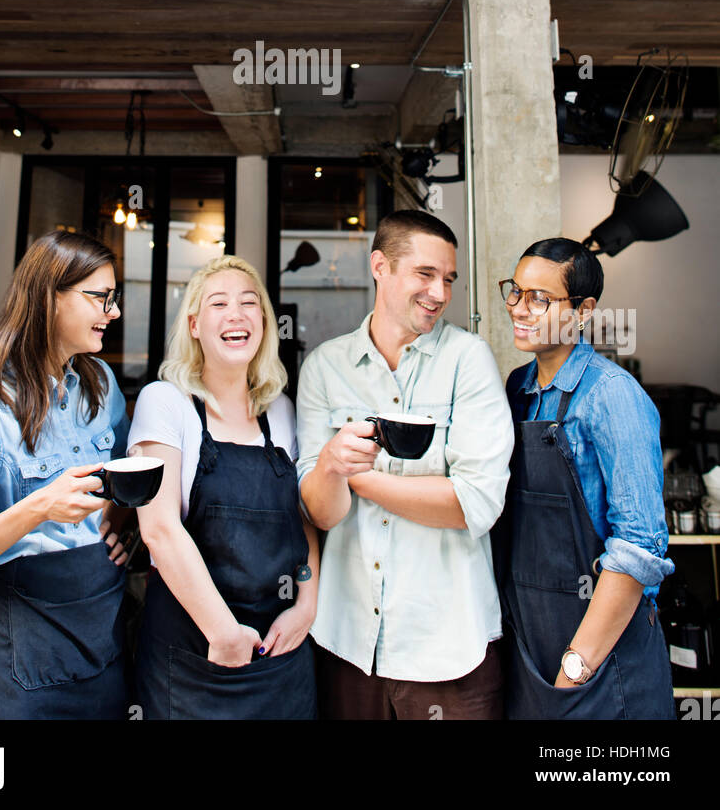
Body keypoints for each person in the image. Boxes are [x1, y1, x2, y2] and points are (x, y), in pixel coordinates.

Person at [297, 210, 513, 720]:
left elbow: (474, 502)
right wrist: (329, 468)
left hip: (450, 645)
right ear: (380, 266)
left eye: (449, 280)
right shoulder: (324, 367)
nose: (439, 292)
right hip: (349, 643)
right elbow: (322, 514)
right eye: (425, 274)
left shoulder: (469, 359)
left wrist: (359, 477)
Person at [0, 231, 131, 719]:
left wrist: (120, 529)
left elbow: (119, 479)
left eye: (114, 298)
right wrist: (39, 507)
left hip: (106, 645)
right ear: (50, 298)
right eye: (101, 298)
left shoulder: (101, 387)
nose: (113, 312)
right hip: (22, 669)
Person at [493, 237, 675, 719]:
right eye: (515, 290)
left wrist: (577, 665)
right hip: (530, 646)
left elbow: (640, 546)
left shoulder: (613, 396)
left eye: (540, 298)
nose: (520, 308)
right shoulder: (516, 389)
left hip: (602, 654)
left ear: (583, 310)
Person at [130, 254, 318, 720]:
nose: (236, 314)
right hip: (194, 653)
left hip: (281, 652)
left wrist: (307, 607)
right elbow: (159, 530)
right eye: (219, 304)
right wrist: (223, 632)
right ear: (194, 325)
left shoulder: (282, 412)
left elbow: (303, 522)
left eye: (249, 303)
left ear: (264, 322)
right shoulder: (166, 403)